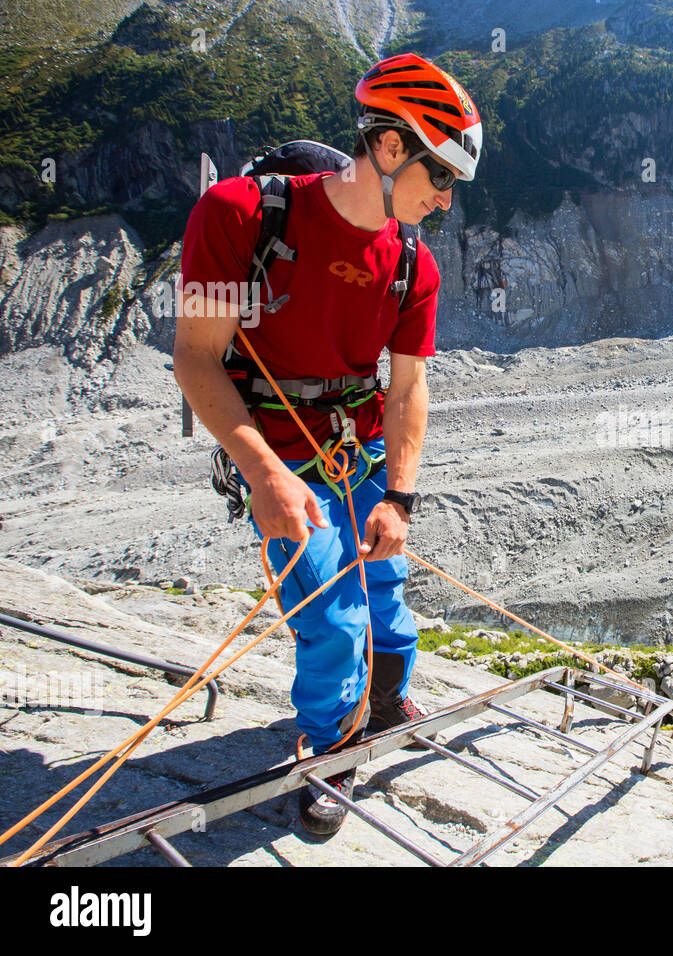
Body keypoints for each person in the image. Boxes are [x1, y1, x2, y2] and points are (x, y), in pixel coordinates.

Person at [173, 53, 483, 836]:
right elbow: (197, 358)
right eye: (438, 174)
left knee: (387, 592)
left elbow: (409, 387)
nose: (444, 199)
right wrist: (263, 475)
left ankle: (387, 701)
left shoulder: (413, 264)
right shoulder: (240, 214)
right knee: (334, 616)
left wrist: (402, 497)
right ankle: (330, 747)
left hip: (363, 450)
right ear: (388, 147)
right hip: (279, 454)